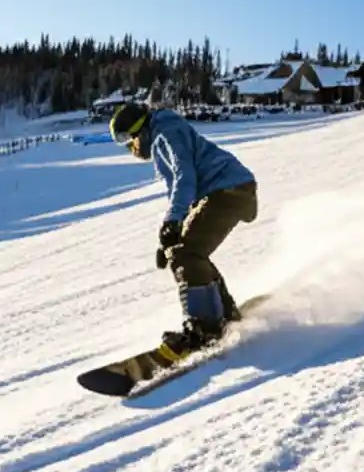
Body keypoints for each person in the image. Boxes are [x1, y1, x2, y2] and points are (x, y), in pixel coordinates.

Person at [109, 102, 258, 357]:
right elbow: (185, 191)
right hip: (226, 190)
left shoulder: (165, 133)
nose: (130, 148)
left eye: (127, 139)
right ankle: (224, 313)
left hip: (227, 190)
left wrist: (172, 222)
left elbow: (184, 177)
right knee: (186, 251)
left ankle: (205, 329)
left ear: (138, 130)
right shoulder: (163, 131)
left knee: (186, 254)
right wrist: (170, 235)